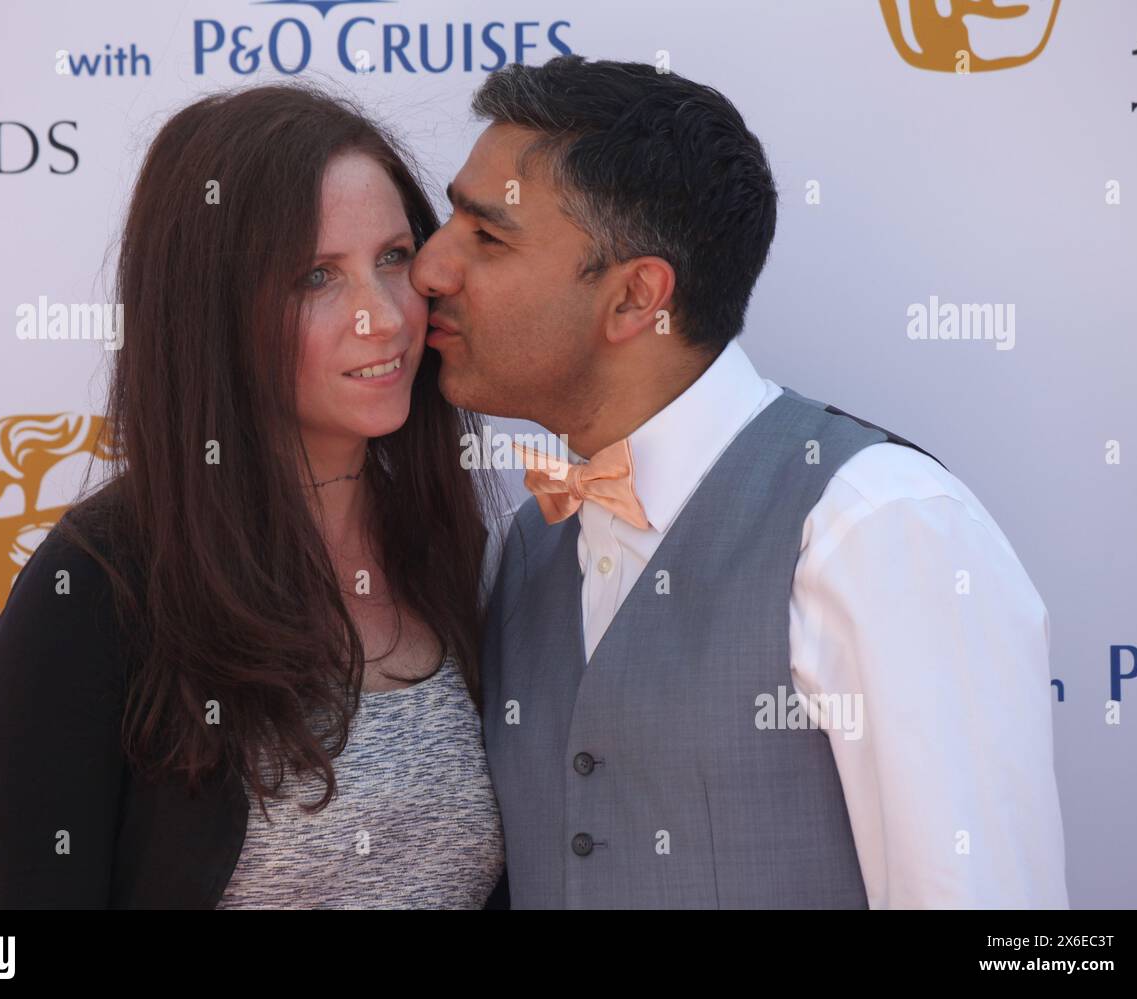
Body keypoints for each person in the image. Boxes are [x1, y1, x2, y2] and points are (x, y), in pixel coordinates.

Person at [409, 55, 1069, 908]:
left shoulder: (879, 526)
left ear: (635, 298)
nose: (429, 269)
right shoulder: (525, 546)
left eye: (486, 237)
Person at [0, 83, 509, 909]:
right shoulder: (94, 587)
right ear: (211, 309)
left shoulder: (453, 542)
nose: (383, 318)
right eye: (316, 277)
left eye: (395, 257)